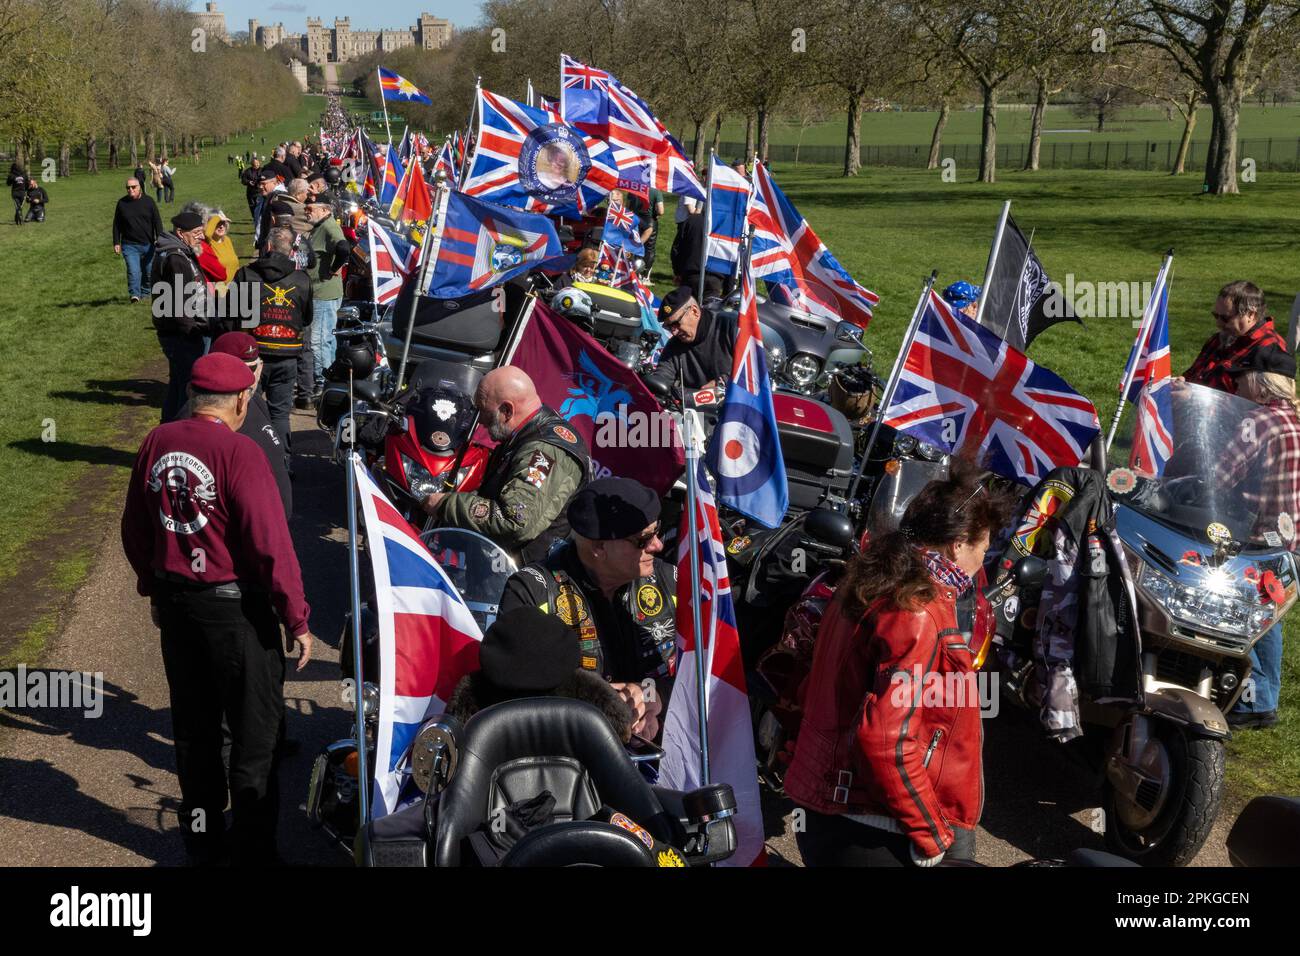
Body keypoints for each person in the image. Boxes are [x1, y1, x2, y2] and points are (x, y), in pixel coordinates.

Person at [120, 352, 315, 865]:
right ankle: (252, 852)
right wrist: (296, 616)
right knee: (255, 737)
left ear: (193, 397)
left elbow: (135, 528)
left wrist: (153, 586)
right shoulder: (241, 452)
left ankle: (203, 846)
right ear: (241, 400)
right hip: (236, 613)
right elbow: (270, 545)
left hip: (177, 607)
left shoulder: (157, 441)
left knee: (195, 731)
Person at [784, 459, 1016, 866]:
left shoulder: (867, 581)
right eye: (984, 546)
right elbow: (886, 741)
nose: (984, 559)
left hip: (831, 811)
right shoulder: (917, 610)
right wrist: (930, 831)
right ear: (958, 543)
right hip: (875, 828)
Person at [498, 478, 675, 738]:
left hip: (663, 757)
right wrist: (599, 701)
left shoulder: (672, 581)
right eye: (642, 540)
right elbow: (514, 686)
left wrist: (652, 695)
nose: (658, 545)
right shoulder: (532, 590)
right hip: (569, 752)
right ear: (598, 547)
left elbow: (707, 674)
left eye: (657, 531)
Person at [1213, 348, 1300, 730]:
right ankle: (1262, 698)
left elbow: (1220, 475)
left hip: (1262, 539)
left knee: (1250, 613)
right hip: (1294, 542)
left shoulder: (1258, 422)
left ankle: (1252, 700)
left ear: (1262, 385)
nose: (1236, 382)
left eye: (1244, 375)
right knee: (1271, 617)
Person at [422, 366, 590, 563]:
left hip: (523, 578)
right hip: (502, 564)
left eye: (484, 412)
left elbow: (514, 520)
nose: (481, 422)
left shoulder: (545, 451)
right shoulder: (526, 432)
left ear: (507, 411)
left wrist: (447, 505)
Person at [446, 607, 638, 743]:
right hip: (573, 789)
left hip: (491, 790)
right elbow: (621, 725)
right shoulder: (584, 685)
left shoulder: (473, 689)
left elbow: (453, 735)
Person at [180, 333, 293, 518]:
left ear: (260, 368)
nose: (245, 378)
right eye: (235, 369)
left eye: (251, 368)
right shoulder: (194, 419)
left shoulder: (255, 402)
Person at [230, 226, 313, 454]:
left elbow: (230, 313)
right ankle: (282, 462)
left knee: (246, 410)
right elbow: (306, 318)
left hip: (252, 354)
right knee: (279, 413)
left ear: (267, 247)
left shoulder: (246, 274)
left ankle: (249, 459)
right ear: (291, 252)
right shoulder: (302, 279)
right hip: (287, 355)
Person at [153, 211, 215, 422]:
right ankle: (179, 428)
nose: (201, 237)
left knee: (179, 383)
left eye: (201, 232)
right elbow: (180, 302)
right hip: (182, 334)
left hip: (179, 331)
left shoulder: (179, 252)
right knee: (188, 387)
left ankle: (169, 426)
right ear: (180, 233)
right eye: (196, 232)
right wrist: (193, 329)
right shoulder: (175, 258)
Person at [1183, 280, 1288, 395]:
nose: (1218, 323)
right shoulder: (1219, 339)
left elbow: (1263, 404)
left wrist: (1193, 394)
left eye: (1225, 318)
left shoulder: (1269, 351)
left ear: (1251, 315)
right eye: (1215, 316)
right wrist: (1182, 382)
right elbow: (1192, 374)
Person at [643, 285, 737, 393]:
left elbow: (754, 367)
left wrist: (723, 382)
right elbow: (662, 377)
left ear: (694, 312)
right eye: (669, 327)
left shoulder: (730, 326)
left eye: (676, 323)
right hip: (694, 408)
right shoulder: (674, 346)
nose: (674, 332)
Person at [303, 201, 349, 407]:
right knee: (327, 339)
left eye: (310, 209)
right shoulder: (321, 226)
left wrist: (333, 268)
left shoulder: (329, 226)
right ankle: (331, 379)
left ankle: (322, 383)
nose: (307, 212)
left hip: (323, 294)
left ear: (325, 210)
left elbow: (343, 247)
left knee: (318, 341)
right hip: (322, 292)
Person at [113, 177, 164, 303]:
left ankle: (146, 292)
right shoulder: (122, 203)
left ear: (139, 186)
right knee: (133, 271)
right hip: (129, 245)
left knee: (148, 272)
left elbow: (157, 221)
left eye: (133, 187)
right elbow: (116, 224)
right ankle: (135, 295)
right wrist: (116, 242)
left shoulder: (149, 202)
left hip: (148, 244)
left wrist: (160, 238)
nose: (130, 190)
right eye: (128, 188)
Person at [201, 210, 239, 293]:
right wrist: (217, 217)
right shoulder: (207, 242)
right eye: (218, 223)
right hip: (220, 292)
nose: (221, 226)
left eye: (223, 223)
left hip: (235, 288)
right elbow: (207, 233)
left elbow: (235, 265)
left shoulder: (227, 240)